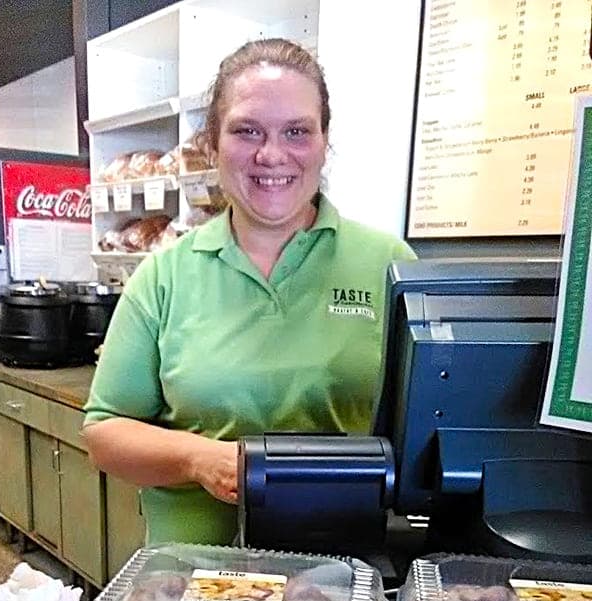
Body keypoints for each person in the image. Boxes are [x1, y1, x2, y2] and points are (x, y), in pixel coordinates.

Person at [83, 37, 416, 546]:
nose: (271, 154)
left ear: (325, 141)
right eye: (247, 131)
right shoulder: (164, 276)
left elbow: (429, 429)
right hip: (196, 574)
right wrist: (199, 459)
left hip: (345, 570)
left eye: (297, 131)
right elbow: (106, 434)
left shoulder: (388, 264)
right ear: (212, 142)